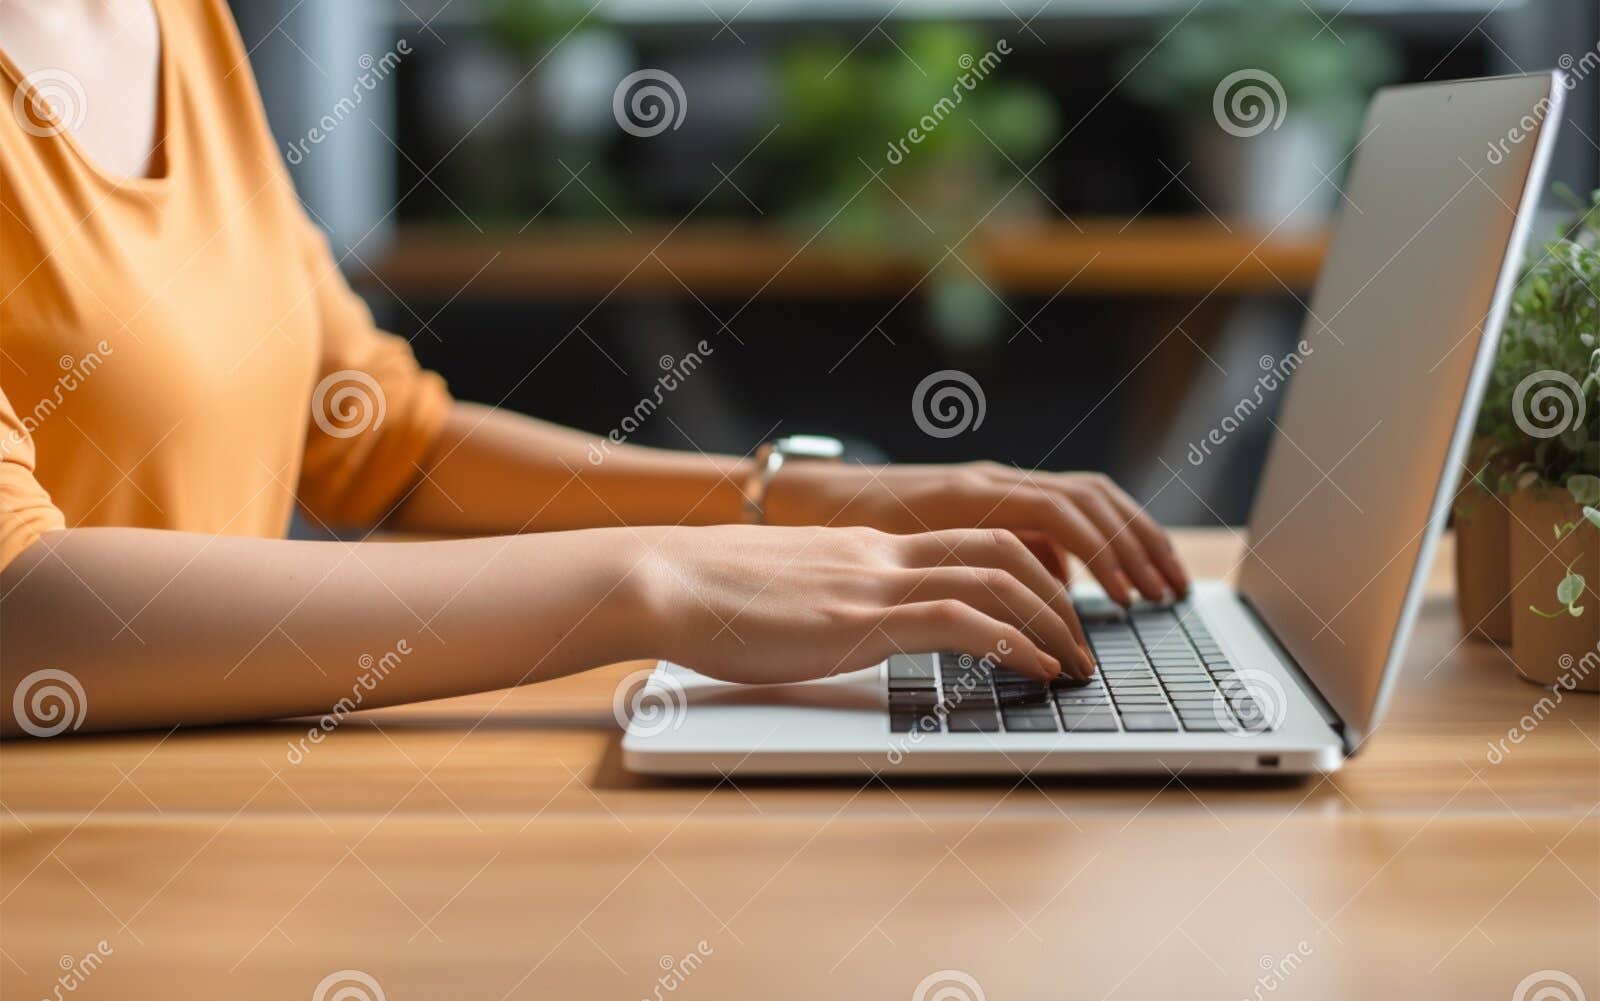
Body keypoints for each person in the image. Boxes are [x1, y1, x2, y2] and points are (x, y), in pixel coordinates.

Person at [0, 0, 1187, 736]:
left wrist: (805, 501)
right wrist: (660, 585)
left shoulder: (174, 14)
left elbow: (375, 444)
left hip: (202, 842)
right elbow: (19, 606)